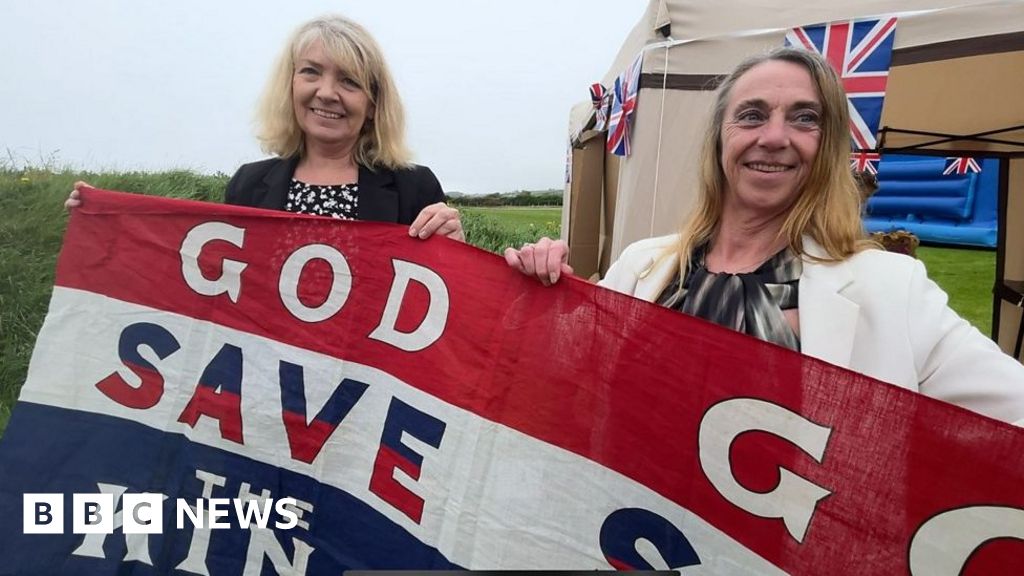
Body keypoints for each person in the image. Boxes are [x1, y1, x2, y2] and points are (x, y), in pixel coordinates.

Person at [504, 47, 1024, 424]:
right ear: (719, 141)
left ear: (829, 146)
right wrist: (541, 296)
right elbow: (565, 383)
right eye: (752, 115)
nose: (774, 138)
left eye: (805, 119)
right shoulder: (643, 265)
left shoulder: (894, 289)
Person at [67, 15, 462, 241]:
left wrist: (453, 251)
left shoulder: (415, 188)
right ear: (290, 85)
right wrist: (107, 221)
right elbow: (202, 278)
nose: (326, 93)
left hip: (367, 384)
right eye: (311, 72)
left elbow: (446, 308)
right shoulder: (247, 186)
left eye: (349, 81)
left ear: (373, 104)